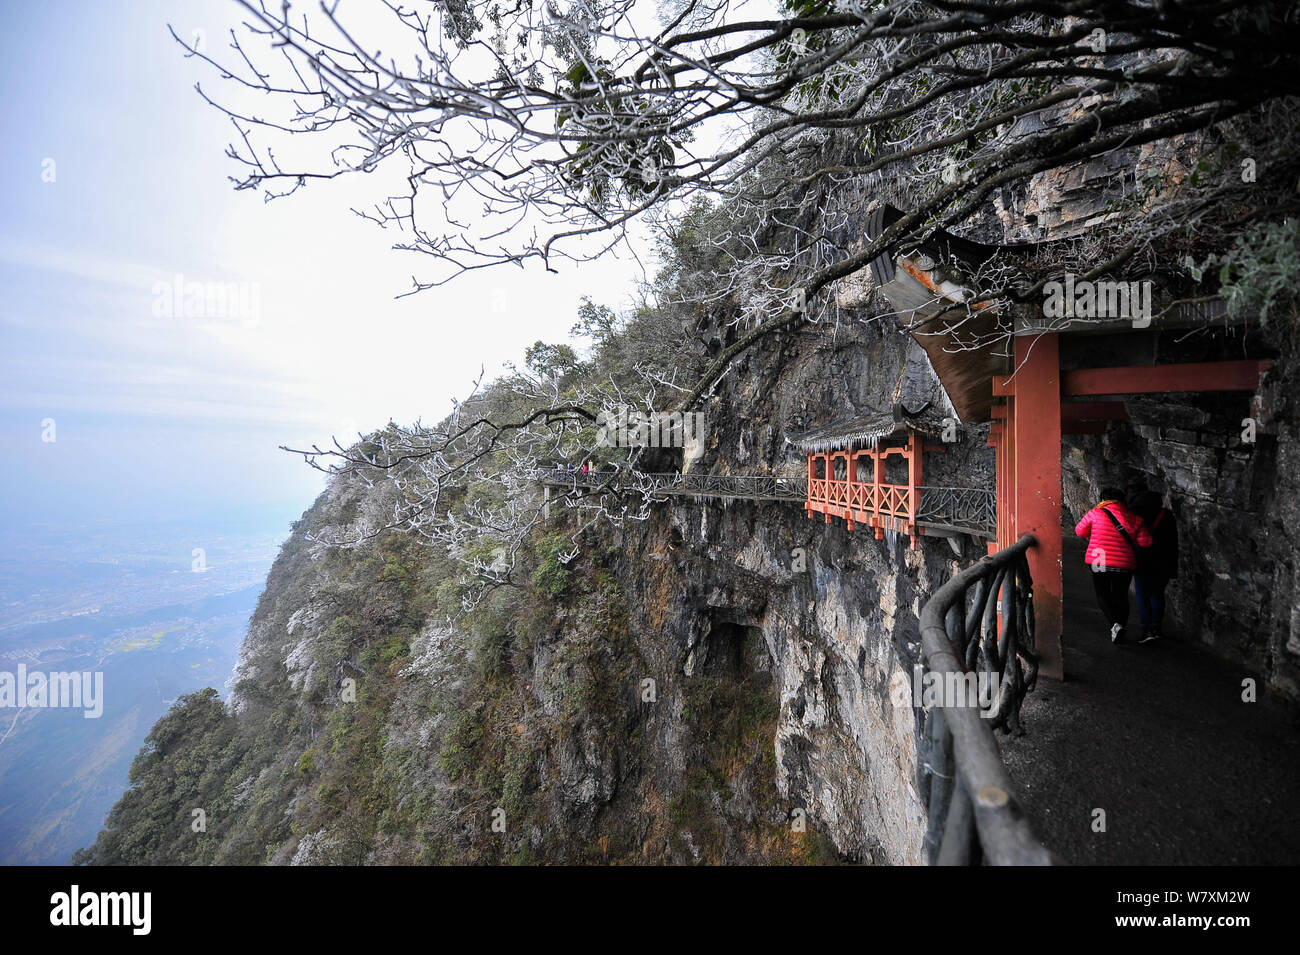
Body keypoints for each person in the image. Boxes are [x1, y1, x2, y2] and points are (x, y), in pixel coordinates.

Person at [1075, 487, 1152, 644]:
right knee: (1121, 595)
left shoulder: (1095, 513)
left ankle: (1115, 625)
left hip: (1098, 559)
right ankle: (1120, 624)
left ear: (1103, 499)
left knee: (1102, 593)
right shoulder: (1135, 518)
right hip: (1124, 563)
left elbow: (1080, 532)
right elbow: (1146, 542)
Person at [1129, 489, 1179, 643]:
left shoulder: (1134, 515)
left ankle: (1146, 630)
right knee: (1157, 595)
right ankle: (1157, 629)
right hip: (1163, 561)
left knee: (1142, 596)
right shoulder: (1166, 515)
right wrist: (1173, 566)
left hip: (1141, 561)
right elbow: (1173, 542)